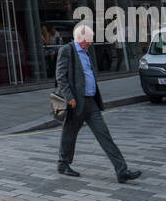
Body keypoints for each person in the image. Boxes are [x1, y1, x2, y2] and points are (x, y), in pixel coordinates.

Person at [55, 23, 140, 183]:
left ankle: (122, 171)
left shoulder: (86, 52)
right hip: (76, 103)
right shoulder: (66, 50)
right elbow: (61, 76)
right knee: (69, 135)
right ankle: (63, 164)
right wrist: (69, 98)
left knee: (104, 135)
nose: (91, 43)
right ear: (80, 39)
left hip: (91, 102)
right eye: (89, 40)